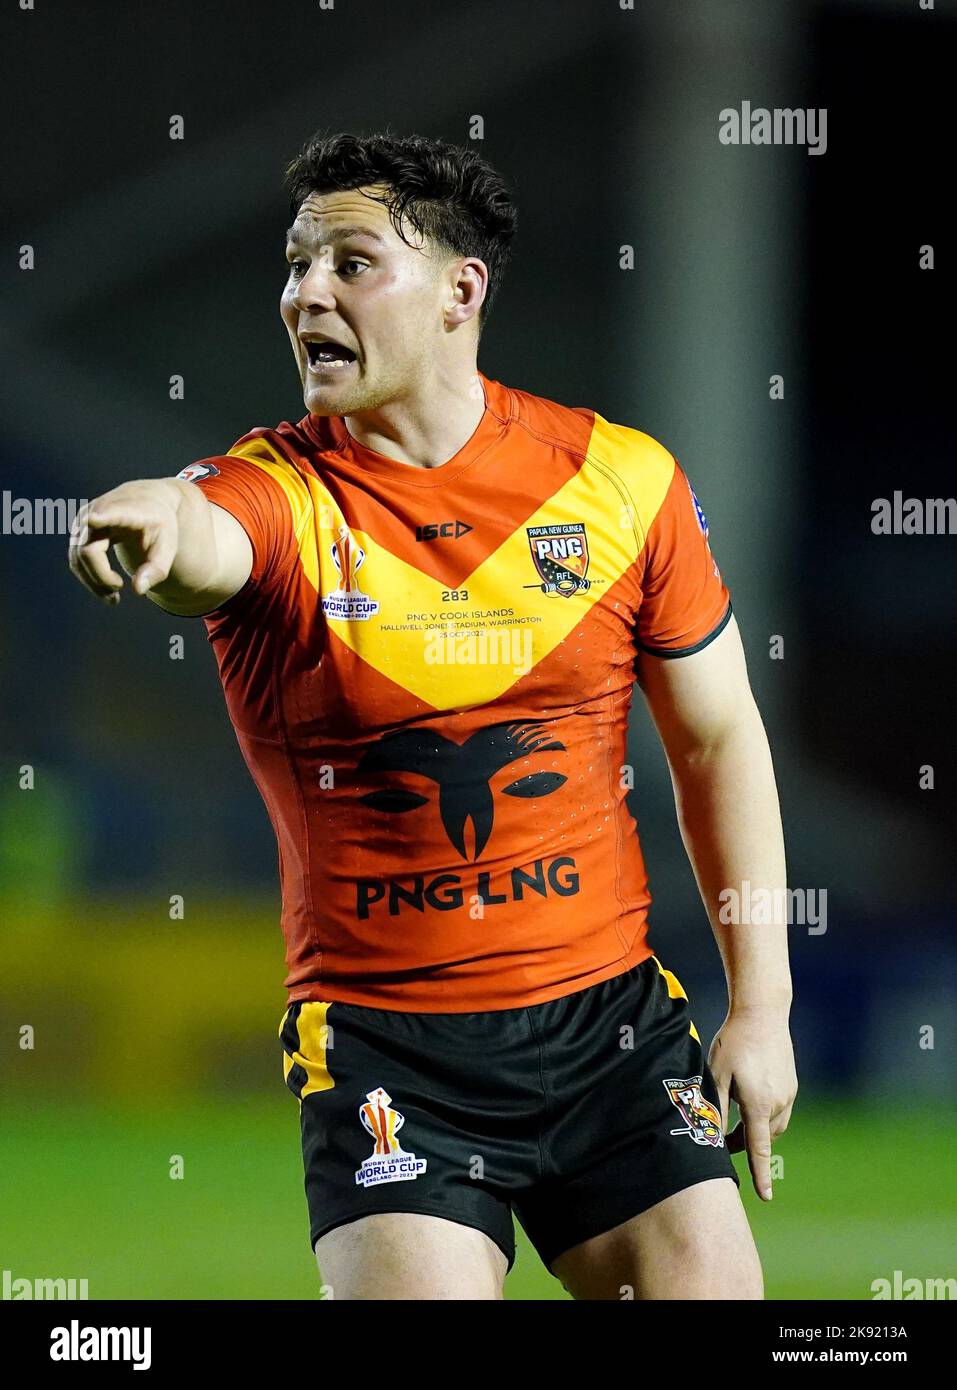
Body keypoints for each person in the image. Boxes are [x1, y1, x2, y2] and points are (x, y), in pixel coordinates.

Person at [68, 130, 797, 1301]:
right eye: (297, 264)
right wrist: (148, 517)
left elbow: (718, 738)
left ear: (461, 291)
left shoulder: (622, 482)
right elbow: (204, 526)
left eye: (351, 263)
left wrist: (760, 1005)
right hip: (387, 1051)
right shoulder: (285, 496)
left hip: (608, 1030)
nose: (307, 291)